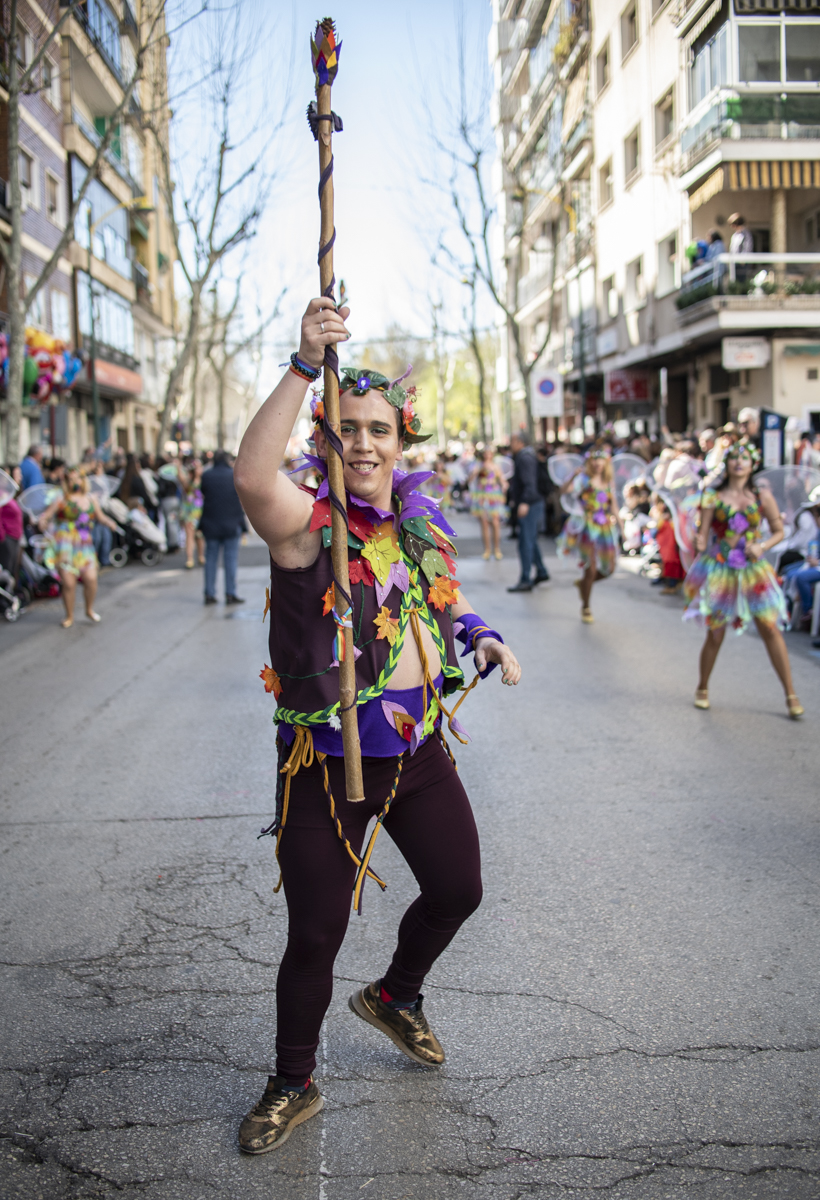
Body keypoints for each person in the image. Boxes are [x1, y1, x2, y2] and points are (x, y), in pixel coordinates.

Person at [232, 296, 522, 1156]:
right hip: (326, 765)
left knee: (458, 890)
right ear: (325, 440)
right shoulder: (308, 530)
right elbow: (251, 478)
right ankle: (293, 1082)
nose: (363, 443)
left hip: (416, 752)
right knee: (316, 934)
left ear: (402, 443)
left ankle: (395, 995)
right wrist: (301, 363)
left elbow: (442, 595)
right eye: (347, 429)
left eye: (379, 430)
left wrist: (480, 632)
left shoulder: (416, 524)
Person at [683, 443, 803, 718]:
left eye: (745, 457)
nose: (739, 462)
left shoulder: (762, 496)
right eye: (734, 457)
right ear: (726, 463)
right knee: (716, 631)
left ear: (753, 464)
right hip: (721, 567)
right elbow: (702, 535)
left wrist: (762, 546)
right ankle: (702, 687)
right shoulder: (712, 496)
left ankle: (790, 694)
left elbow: (779, 530)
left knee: (769, 627)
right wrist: (699, 540)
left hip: (752, 568)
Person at [38, 467, 118, 628]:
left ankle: (89, 609)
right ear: (66, 481)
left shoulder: (91, 499)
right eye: (71, 479)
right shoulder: (61, 499)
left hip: (84, 546)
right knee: (69, 583)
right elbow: (46, 516)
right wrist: (42, 522)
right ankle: (69, 615)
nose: (74, 482)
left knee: (91, 578)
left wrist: (110, 522)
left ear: (83, 480)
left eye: (78, 478)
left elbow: (100, 516)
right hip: (65, 546)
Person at [558, 446, 621, 623]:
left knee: (609, 569)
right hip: (586, 527)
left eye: (601, 460)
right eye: (594, 459)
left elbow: (614, 506)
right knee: (590, 568)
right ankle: (586, 606)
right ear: (590, 462)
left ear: (606, 462)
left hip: (605, 528)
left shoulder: (608, 481)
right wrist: (573, 476)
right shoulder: (583, 479)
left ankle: (584, 584)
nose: (597, 463)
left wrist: (622, 527)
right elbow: (564, 491)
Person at [199, 450, 246, 605]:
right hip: (232, 523)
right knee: (230, 559)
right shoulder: (233, 475)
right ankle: (230, 593)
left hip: (211, 523)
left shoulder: (207, 475)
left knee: (210, 559)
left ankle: (209, 593)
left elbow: (203, 492)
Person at [506, 430, 549, 592]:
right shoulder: (527, 456)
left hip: (530, 504)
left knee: (525, 542)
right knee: (530, 539)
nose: (510, 444)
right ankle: (541, 571)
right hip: (532, 502)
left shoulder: (525, 458)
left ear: (520, 442)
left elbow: (529, 483)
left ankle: (525, 578)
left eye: (512, 441)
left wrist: (524, 502)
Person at [468, 445, 507, 560]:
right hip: (482, 495)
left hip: (493, 495)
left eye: (489, 452)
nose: (487, 455)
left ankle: (497, 549)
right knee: (484, 522)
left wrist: (504, 486)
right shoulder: (478, 465)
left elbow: (502, 480)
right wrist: (475, 473)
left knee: (495, 522)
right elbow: (470, 480)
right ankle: (487, 550)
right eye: (485, 453)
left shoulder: (495, 466)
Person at [181, 459, 205, 569]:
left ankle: (200, 556)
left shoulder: (204, 480)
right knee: (190, 535)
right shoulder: (189, 481)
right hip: (191, 512)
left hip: (199, 512)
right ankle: (190, 558)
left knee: (199, 536)